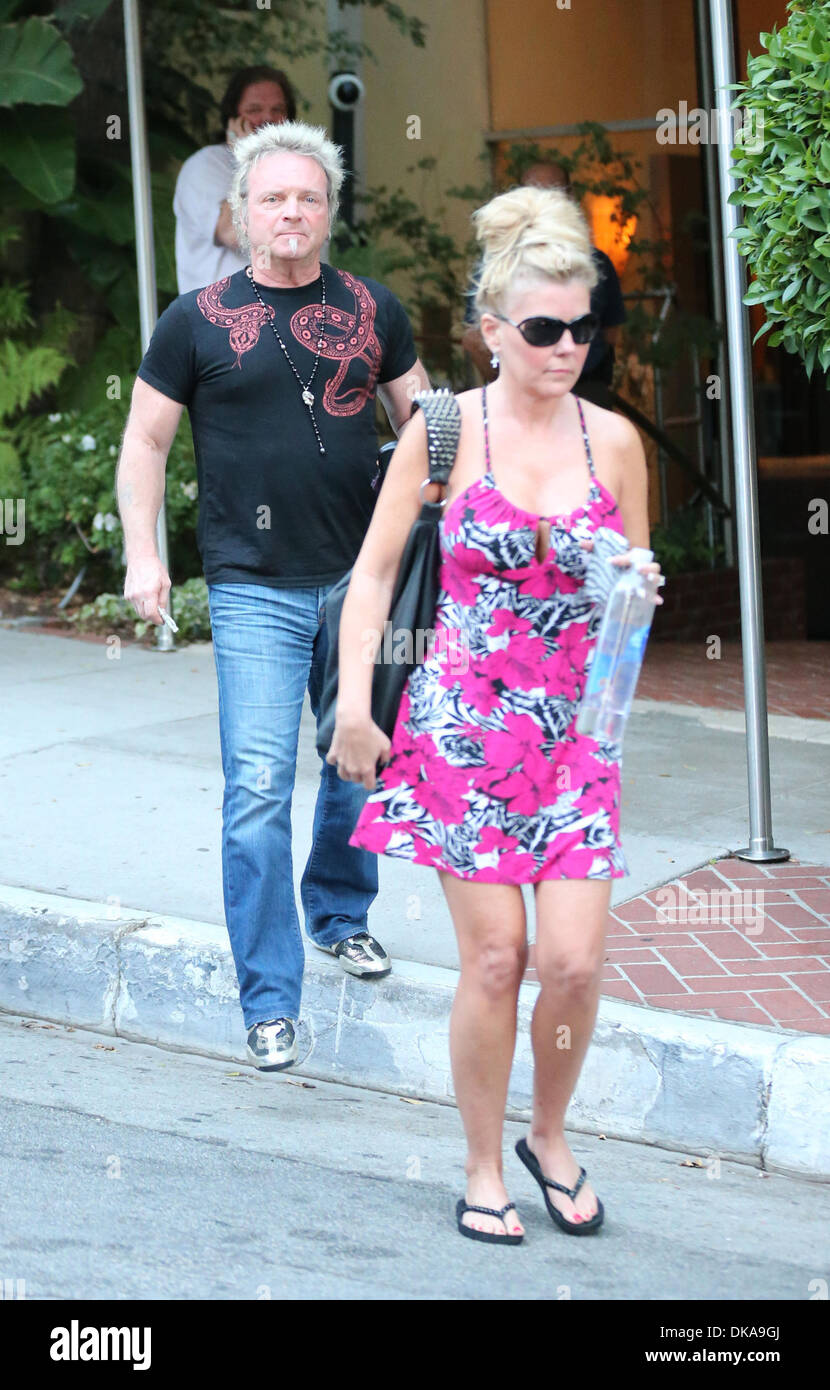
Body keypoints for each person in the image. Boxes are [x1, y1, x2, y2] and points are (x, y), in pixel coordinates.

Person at [327, 185, 663, 1242]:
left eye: (583, 328)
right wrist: (353, 706)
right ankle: (481, 1163)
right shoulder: (442, 429)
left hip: (577, 738)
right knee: (495, 958)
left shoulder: (614, 442)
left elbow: (631, 591)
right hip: (463, 732)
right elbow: (374, 576)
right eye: (543, 329)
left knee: (571, 962)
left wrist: (633, 601)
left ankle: (547, 1135)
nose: (568, 348)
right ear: (491, 331)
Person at [117, 121, 430, 1073]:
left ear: (329, 211)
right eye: (273, 198)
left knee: (356, 762)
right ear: (243, 212)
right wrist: (144, 554)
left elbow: (425, 427)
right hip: (252, 587)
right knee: (256, 790)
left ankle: (338, 912)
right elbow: (145, 441)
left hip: (361, 583)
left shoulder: (372, 309)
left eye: (308, 198)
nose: (291, 212)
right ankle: (268, 1000)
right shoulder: (195, 320)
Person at [462, 161, 627, 410]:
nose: (545, 202)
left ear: (570, 197)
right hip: (517, 396)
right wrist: (506, 384)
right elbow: (473, 338)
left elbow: (611, 335)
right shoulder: (497, 265)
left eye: (580, 327)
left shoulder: (596, 262)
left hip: (586, 389)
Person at [173, 65, 297, 293]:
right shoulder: (205, 165)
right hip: (221, 314)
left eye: (277, 109)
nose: (267, 118)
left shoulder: (302, 170)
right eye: (254, 109)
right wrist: (250, 161)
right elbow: (234, 232)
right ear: (232, 118)